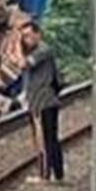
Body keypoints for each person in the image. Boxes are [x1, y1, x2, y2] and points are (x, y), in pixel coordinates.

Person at [14, 22, 65, 182]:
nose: (26, 40)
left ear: (38, 34)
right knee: (48, 138)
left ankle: (47, 175)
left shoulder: (43, 50)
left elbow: (22, 64)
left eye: (28, 35)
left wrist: (16, 45)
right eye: (24, 37)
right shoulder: (36, 51)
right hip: (37, 101)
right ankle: (56, 174)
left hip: (44, 101)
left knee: (46, 138)